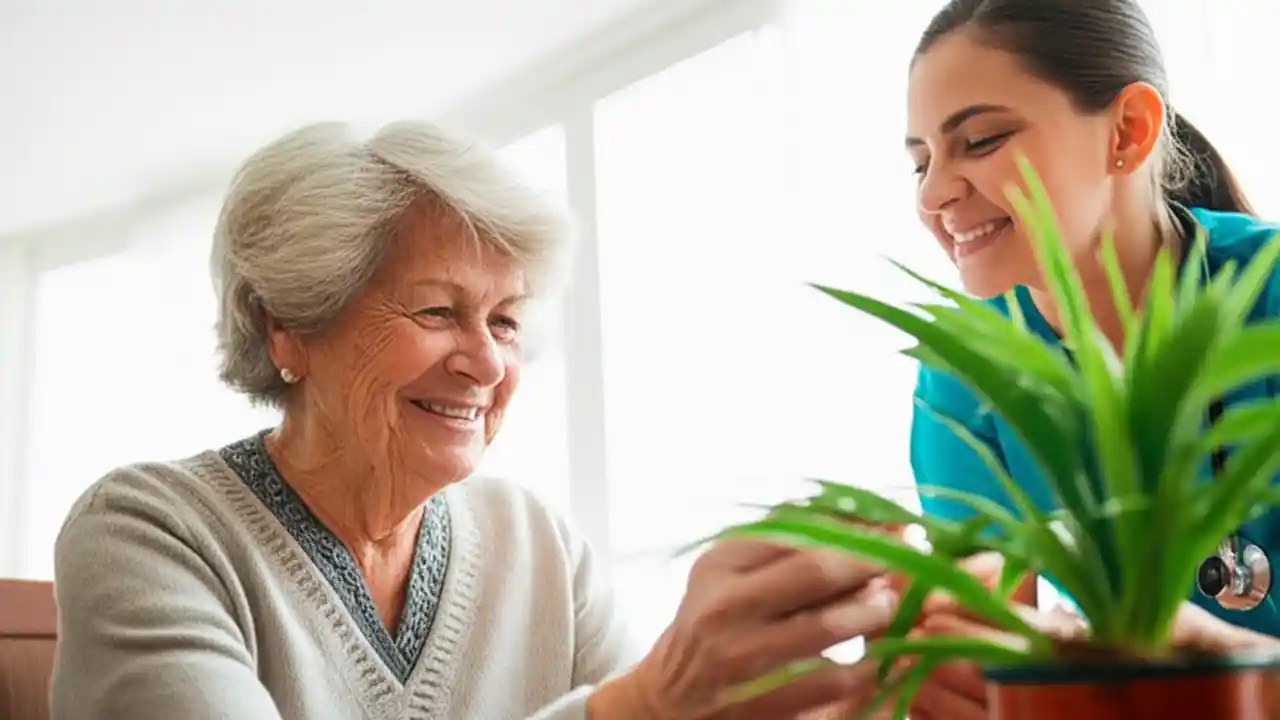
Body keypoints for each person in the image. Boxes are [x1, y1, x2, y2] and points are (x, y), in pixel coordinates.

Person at [49, 119, 903, 720]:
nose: (488, 364)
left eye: (504, 321)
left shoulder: (537, 544)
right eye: (435, 312)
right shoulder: (146, 532)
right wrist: (639, 707)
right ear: (289, 328)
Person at [902, 0, 1280, 717]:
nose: (933, 192)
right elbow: (981, 660)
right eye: (920, 161)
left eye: (978, 140)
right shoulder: (963, 373)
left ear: (1128, 132)